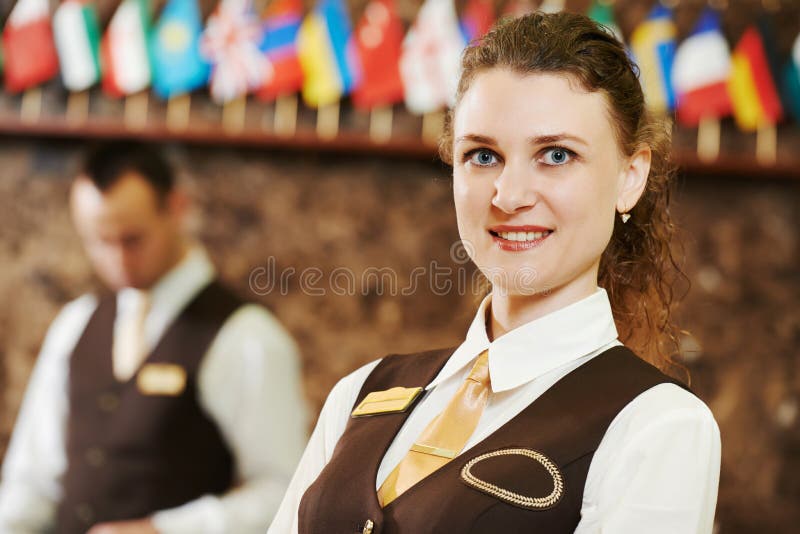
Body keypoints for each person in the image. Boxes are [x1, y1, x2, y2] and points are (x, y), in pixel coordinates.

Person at [269, 11, 721, 534]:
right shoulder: (360, 393)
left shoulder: (657, 426)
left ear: (630, 177)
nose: (509, 196)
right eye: (483, 156)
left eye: (556, 155)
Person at [0, 142, 308, 534]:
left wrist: (165, 530)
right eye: (99, 241)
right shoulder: (74, 325)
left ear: (176, 208)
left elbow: (285, 492)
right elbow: (33, 482)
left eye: (132, 239)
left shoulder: (245, 336)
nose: (118, 259)